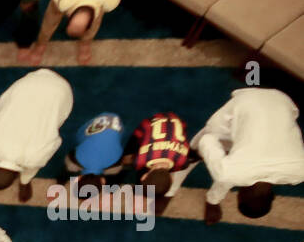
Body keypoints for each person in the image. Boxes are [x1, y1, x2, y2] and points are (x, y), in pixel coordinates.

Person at [191, 87, 304, 224]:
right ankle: (191, 165)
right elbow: (207, 139)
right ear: (239, 192)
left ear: (273, 196)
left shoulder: (300, 173)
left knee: (227, 173)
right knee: (211, 133)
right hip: (245, 99)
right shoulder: (229, 174)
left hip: (283, 100)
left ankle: (213, 201)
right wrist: (203, 152)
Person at [0, 69, 73, 202]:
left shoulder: (34, 158)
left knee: (33, 165)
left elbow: (56, 142)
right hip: (28, 84)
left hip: (58, 92)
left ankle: (24, 182)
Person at [121, 111, 199, 216]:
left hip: (173, 123)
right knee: (134, 148)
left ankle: (140, 194)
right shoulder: (182, 163)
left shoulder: (182, 161)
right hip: (162, 123)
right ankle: (140, 194)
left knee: (135, 155)